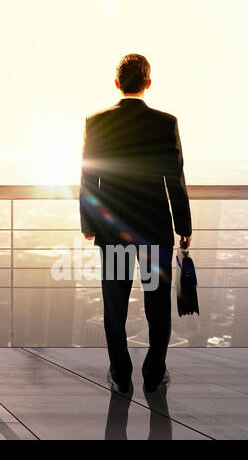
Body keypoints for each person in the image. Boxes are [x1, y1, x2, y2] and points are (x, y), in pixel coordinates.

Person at [80, 53, 191, 395]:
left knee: (114, 308)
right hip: (155, 230)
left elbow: (88, 178)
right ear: (148, 83)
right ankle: (154, 375)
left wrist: (89, 224)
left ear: (117, 83)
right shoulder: (164, 122)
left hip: (112, 230)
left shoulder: (96, 122)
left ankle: (120, 375)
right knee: (158, 308)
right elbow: (175, 180)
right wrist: (183, 226)